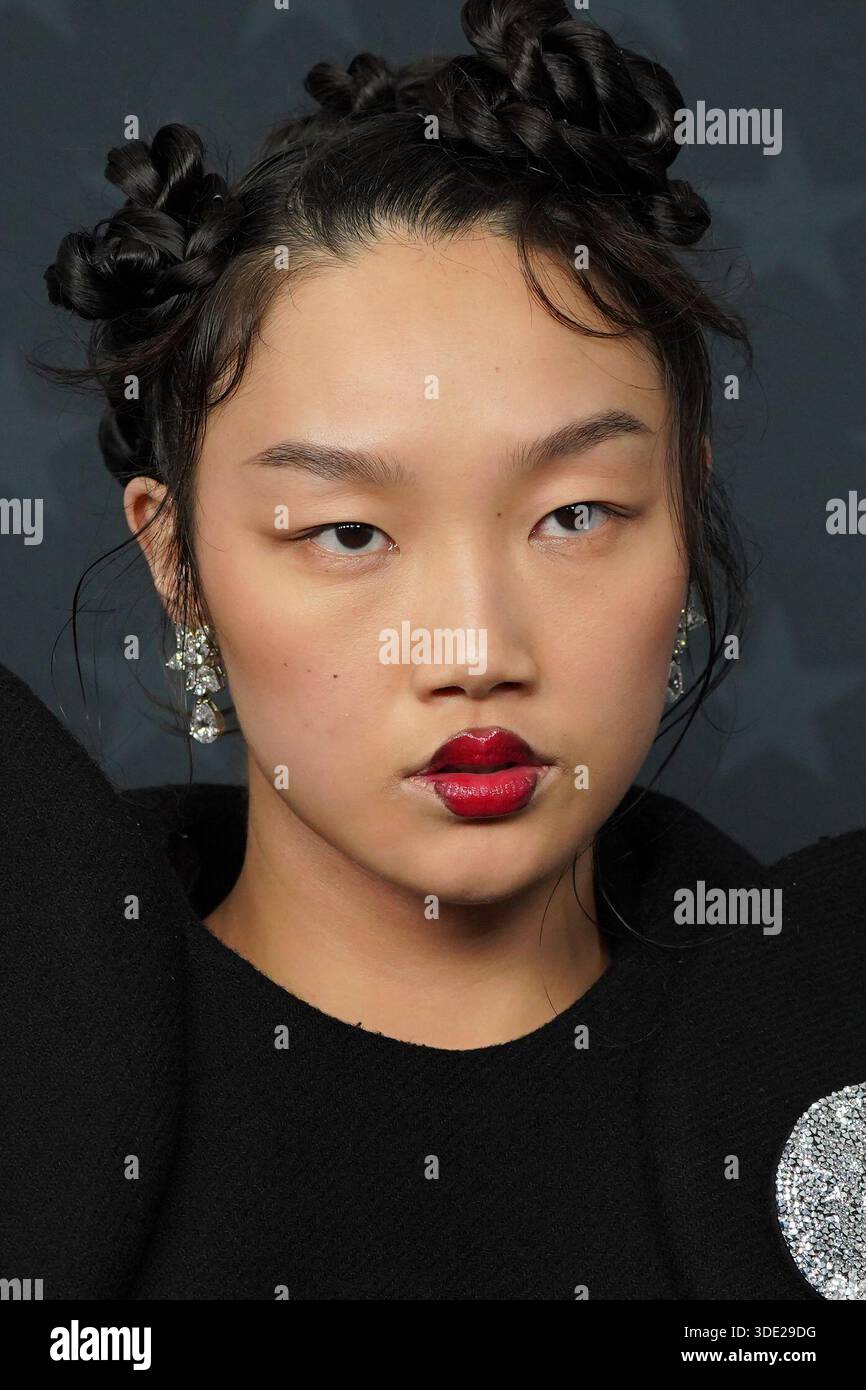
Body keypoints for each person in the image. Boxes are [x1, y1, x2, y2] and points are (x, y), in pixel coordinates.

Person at [3, 0, 864, 1301]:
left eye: (573, 514)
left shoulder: (823, 1061)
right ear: (177, 562)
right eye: (347, 531)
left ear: (681, 512)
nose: (471, 646)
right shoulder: (38, 1071)